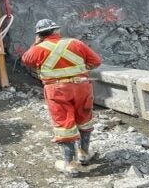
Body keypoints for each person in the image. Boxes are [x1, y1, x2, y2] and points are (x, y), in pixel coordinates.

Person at [20, 18, 102, 175]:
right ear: (57, 31)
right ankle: (84, 154)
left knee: (64, 124)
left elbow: (26, 60)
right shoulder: (75, 43)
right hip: (81, 87)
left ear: (39, 35)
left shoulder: (38, 49)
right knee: (84, 119)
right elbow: (96, 61)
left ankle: (70, 165)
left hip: (57, 90)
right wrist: (80, 70)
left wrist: (36, 43)